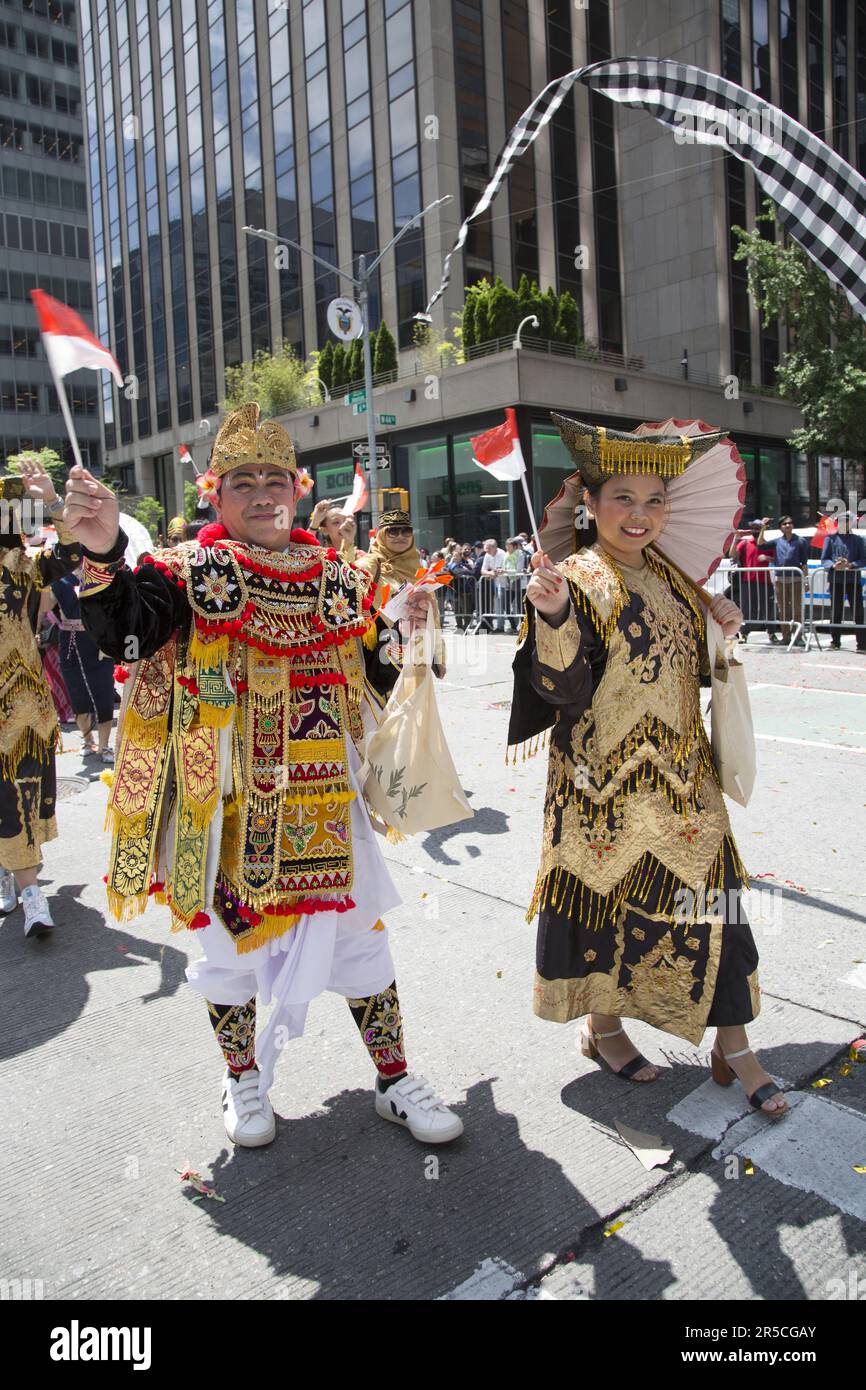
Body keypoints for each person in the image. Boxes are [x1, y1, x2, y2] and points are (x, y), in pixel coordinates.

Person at [64, 403, 463, 1148]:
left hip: (327, 812)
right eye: (242, 481)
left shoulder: (338, 580)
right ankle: (243, 1079)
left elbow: (378, 671)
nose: (262, 493)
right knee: (227, 958)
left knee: (365, 949)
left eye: (276, 479)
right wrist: (103, 549)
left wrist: (407, 624)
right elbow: (126, 628)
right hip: (226, 818)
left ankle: (395, 1079)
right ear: (216, 495)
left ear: (300, 490)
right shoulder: (188, 574)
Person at [509, 413, 787, 1119]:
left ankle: (737, 1045)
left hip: (684, 783)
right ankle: (602, 1028)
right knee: (605, 913)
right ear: (591, 504)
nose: (640, 514)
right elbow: (563, 693)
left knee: (715, 907)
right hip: (600, 787)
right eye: (624, 499)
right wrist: (552, 619)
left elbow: (683, 675)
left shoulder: (673, 578)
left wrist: (718, 628)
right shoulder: (573, 578)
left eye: (654, 500)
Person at [0, 462, 82, 935]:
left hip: (26, 704)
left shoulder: (25, 569)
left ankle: (30, 891)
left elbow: (72, 554)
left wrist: (54, 501)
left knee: (23, 792)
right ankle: (16, 877)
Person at [355, 510, 447, 682]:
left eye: (406, 531)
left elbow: (433, 616)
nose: (400, 536)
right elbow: (352, 585)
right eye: (393, 531)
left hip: (415, 654)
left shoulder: (418, 569)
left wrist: (439, 656)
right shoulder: (369, 565)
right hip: (380, 656)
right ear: (382, 535)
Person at [50, 570, 116, 764]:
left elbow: (114, 610)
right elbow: (45, 606)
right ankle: (88, 740)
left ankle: (104, 745)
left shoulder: (101, 576)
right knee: (77, 694)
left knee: (103, 692)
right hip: (70, 642)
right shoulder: (59, 580)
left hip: (98, 640)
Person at [821, 511, 866, 651]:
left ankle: (862, 644)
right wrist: (833, 565)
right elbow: (824, 559)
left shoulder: (858, 539)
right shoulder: (830, 539)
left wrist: (851, 565)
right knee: (835, 611)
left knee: (858, 612)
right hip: (836, 579)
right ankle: (835, 642)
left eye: (846, 521)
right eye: (841, 521)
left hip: (853, 579)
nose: (844, 523)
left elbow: (864, 559)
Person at [728, 518, 777, 641]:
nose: (755, 531)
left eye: (758, 528)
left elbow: (776, 559)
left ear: (762, 530)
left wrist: (767, 558)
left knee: (768, 609)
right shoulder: (745, 543)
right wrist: (736, 538)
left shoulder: (767, 544)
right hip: (748, 581)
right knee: (747, 608)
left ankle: (771, 633)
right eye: (753, 528)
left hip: (765, 581)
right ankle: (744, 634)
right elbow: (733, 554)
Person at [772, 517, 808, 646]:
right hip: (780, 581)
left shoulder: (801, 541)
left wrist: (806, 580)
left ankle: (798, 637)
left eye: (790, 523)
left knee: (797, 609)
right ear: (780, 527)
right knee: (783, 610)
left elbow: (804, 563)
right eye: (784, 523)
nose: (788, 525)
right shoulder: (777, 542)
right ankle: (785, 637)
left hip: (796, 580)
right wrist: (763, 528)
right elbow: (760, 544)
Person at [447, 543, 477, 632]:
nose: (455, 557)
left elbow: (471, 572)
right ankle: (459, 628)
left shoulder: (464, 565)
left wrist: (460, 571)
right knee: (457, 611)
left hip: (464, 591)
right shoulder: (450, 566)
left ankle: (466, 627)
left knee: (466, 610)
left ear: (460, 557)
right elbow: (449, 571)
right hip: (454, 592)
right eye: (454, 556)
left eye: (456, 556)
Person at [480, 537, 508, 633]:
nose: (486, 550)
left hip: (506, 583)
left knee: (508, 606)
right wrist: (491, 573)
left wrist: (493, 573)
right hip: (495, 584)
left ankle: (512, 625)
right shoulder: (487, 555)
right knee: (498, 604)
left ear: (493, 547)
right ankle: (500, 627)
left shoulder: (503, 554)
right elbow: (483, 571)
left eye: (487, 548)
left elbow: (504, 569)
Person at [502, 537, 527, 634]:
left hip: (519, 583)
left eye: (509, 546)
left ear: (514, 546)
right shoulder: (506, 555)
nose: (507, 548)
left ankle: (523, 627)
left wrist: (505, 571)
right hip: (509, 583)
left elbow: (519, 569)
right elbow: (504, 567)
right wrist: (501, 570)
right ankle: (513, 626)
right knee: (506, 605)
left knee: (520, 606)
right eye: (506, 546)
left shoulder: (520, 554)